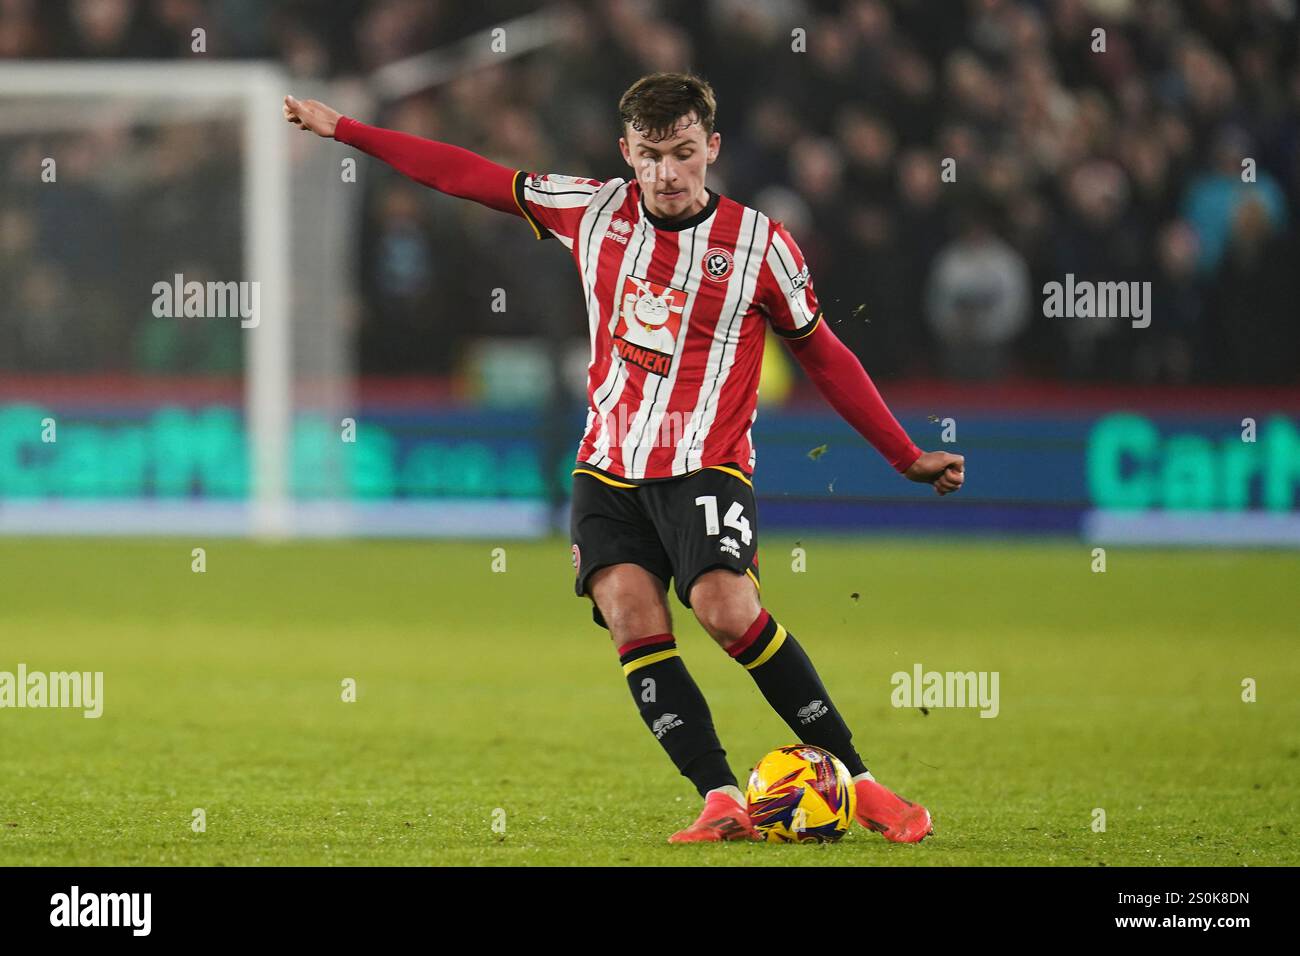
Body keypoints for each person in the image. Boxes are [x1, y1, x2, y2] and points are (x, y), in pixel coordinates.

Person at [284, 72, 964, 844]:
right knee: (629, 616)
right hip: (607, 464)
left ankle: (863, 783)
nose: (665, 174)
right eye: (649, 155)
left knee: (722, 607)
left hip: (707, 462)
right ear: (625, 153)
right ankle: (718, 798)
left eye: (681, 153)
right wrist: (346, 130)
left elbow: (827, 356)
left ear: (711, 147)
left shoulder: (760, 246)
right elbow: (464, 173)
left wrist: (903, 454)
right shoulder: (592, 208)